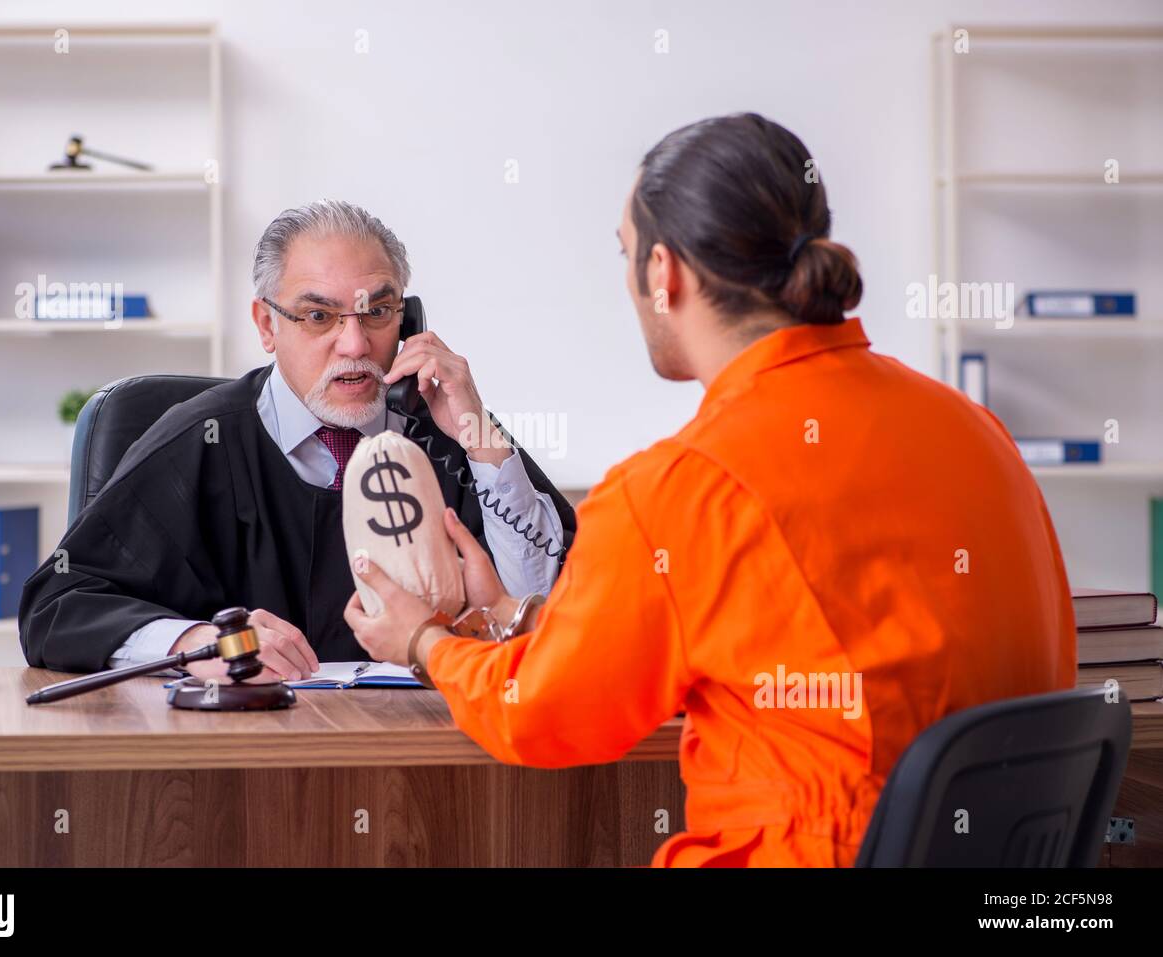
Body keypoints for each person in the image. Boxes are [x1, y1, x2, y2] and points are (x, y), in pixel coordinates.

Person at [343, 114, 1076, 867]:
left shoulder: (684, 488)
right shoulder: (975, 430)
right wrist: (511, 615)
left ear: (665, 274)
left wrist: (423, 640)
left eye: (625, 256)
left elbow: (537, 716)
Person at [18, 201, 575, 680]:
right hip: (245, 766)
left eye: (377, 311)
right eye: (318, 315)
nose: (354, 343)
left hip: (431, 758)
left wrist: (483, 443)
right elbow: (58, 606)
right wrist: (196, 644)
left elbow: (552, 617)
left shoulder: (451, 432)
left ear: (407, 320)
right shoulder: (200, 439)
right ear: (267, 326)